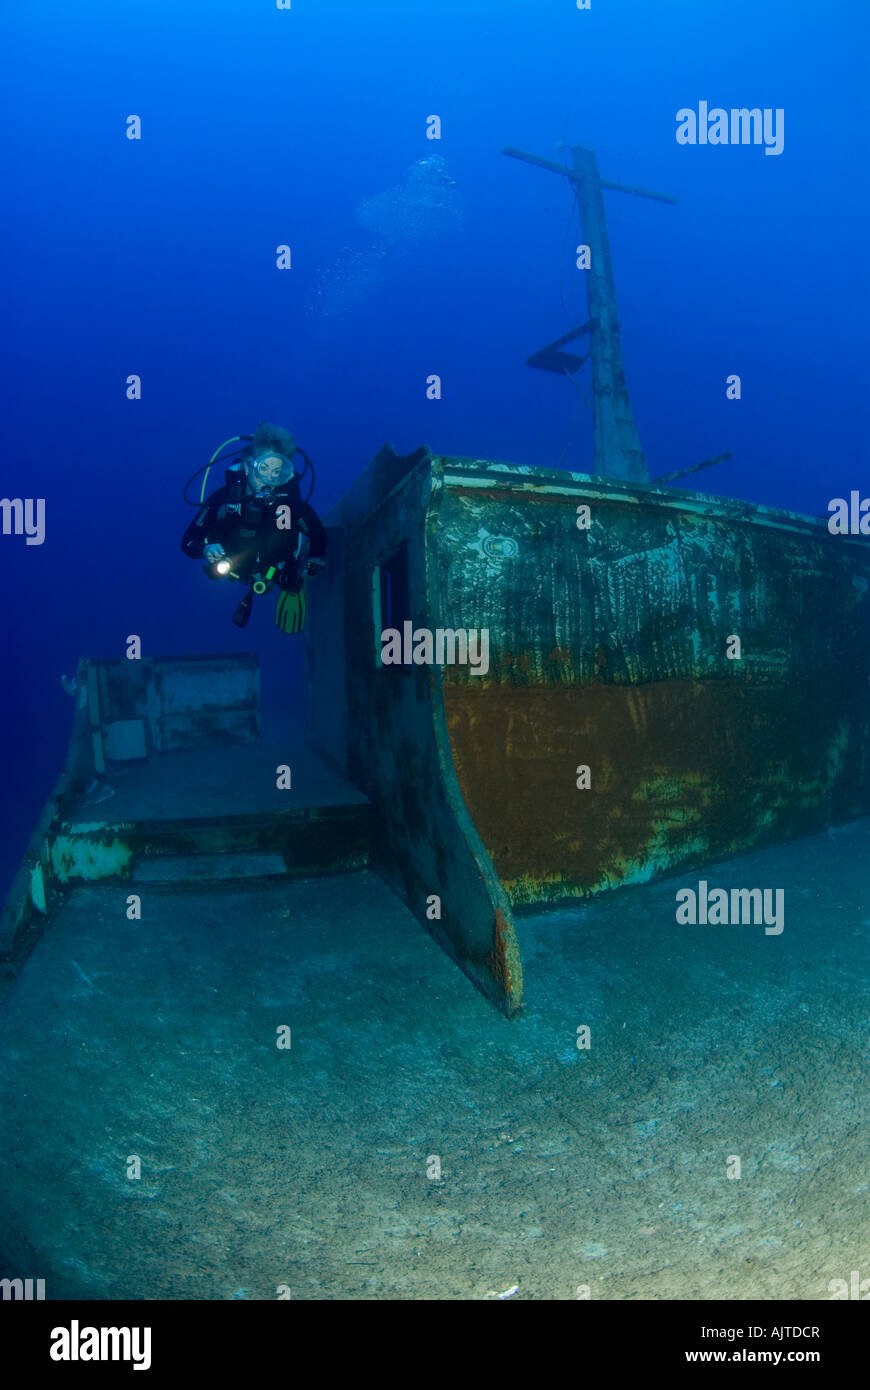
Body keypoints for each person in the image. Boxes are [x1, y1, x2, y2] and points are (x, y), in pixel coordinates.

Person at [182, 423, 327, 632]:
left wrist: (314, 559)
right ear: (249, 466)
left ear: (285, 473)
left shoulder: (290, 505)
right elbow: (187, 542)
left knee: (290, 579)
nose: (269, 479)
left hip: (275, 570)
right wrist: (205, 548)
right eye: (264, 468)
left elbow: (317, 532)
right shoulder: (224, 499)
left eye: (277, 471)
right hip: (233, 569)